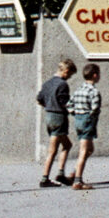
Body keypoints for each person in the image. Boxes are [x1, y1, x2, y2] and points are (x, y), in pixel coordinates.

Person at [36, 59, 77, 187]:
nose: (69, 77)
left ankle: (60, 173)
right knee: (53, 150)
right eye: (70, 75)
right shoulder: (63, 85)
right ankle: (45, 178)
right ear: (66, 71)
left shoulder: (47, 83)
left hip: (49, 116)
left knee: (67, 145)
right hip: (59, 117)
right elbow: (65, 102)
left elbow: (39, 99)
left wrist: (48, 105)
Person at [68, 63, 102, 191]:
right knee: (83, 151)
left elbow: (69, 105)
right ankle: (77, 181)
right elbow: (95, 108)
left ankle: (75, 172)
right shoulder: (94, 91)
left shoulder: (78, 90)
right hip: (88, 120)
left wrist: (76, 113)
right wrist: (90, 117)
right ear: (95, 75)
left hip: (78, 120)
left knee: (89, 149)